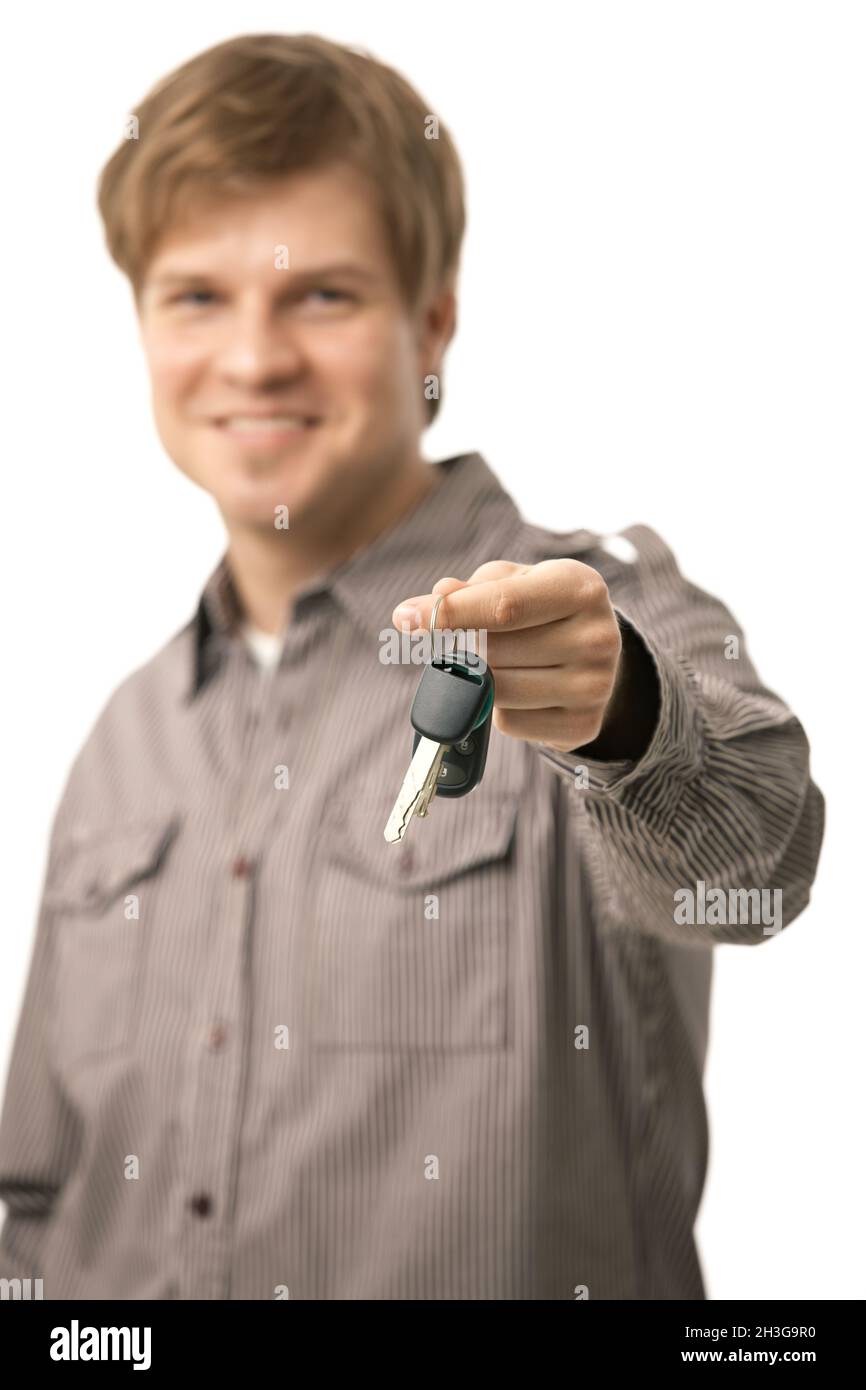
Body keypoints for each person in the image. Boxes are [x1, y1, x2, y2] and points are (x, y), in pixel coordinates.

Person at [0, 32, 825, 1300]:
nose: (254, 357)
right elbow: (40, 1197)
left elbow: (755, 865)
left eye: (321, 295)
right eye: (197, 296)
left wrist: (622, 717)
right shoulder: (127, 732)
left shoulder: (591, 610)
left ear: (429, 322)